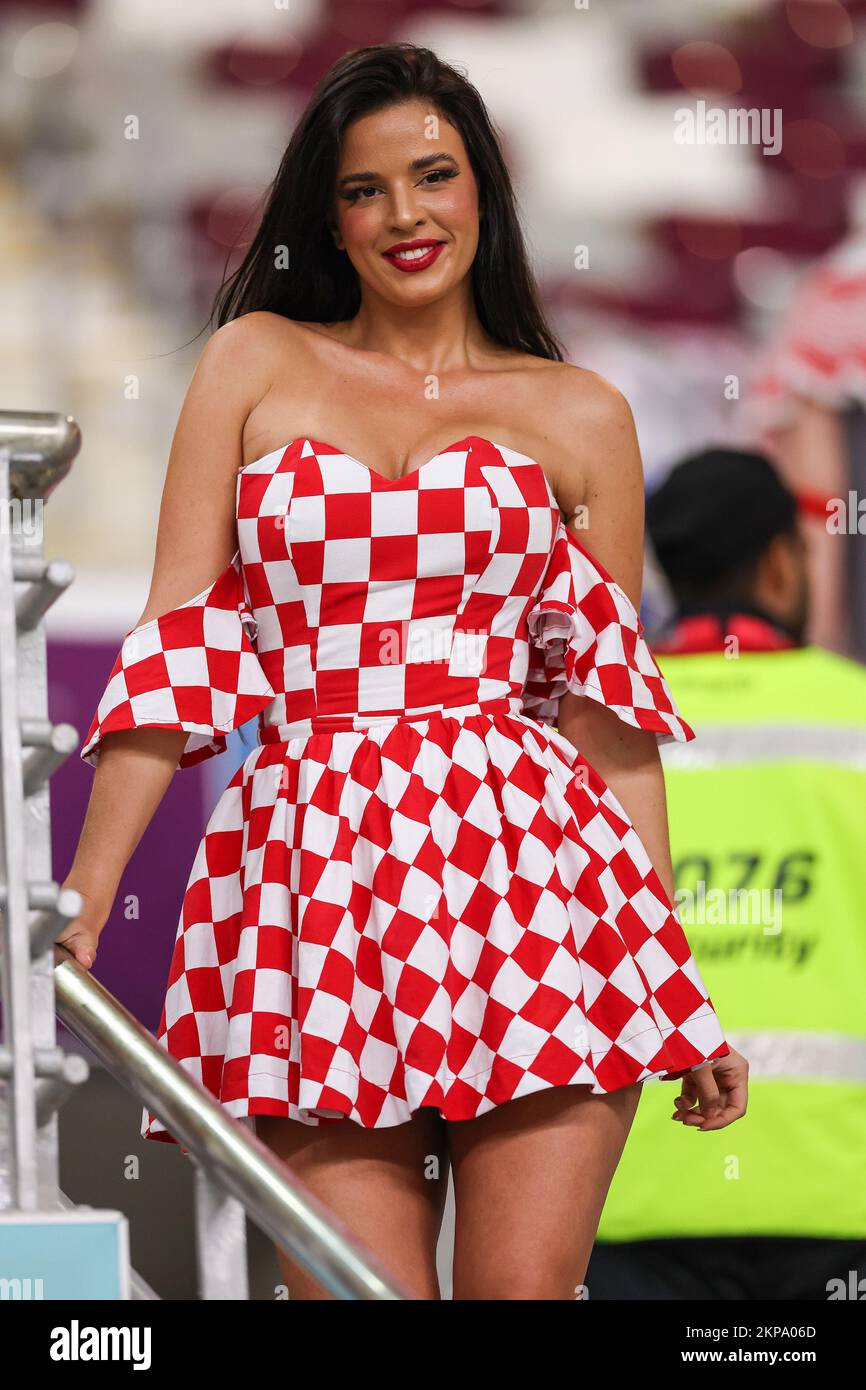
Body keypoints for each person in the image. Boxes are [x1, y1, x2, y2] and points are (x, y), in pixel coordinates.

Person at [60, 42, 745, 1301]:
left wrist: (671, 978)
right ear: (329, 214)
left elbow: (606, 722)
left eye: (432, 175)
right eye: (365, 189)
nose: (403, 215)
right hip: (308, 887)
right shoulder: (251, 362)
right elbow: (179, 642)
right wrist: (84, 901)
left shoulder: (582, 410)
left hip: (540, 888)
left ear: (482, 186)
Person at [587, 447, 866, 1300]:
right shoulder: (855, 720)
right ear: (783, 563)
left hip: (621, 1191)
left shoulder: (596, 734)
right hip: (839, 1201)